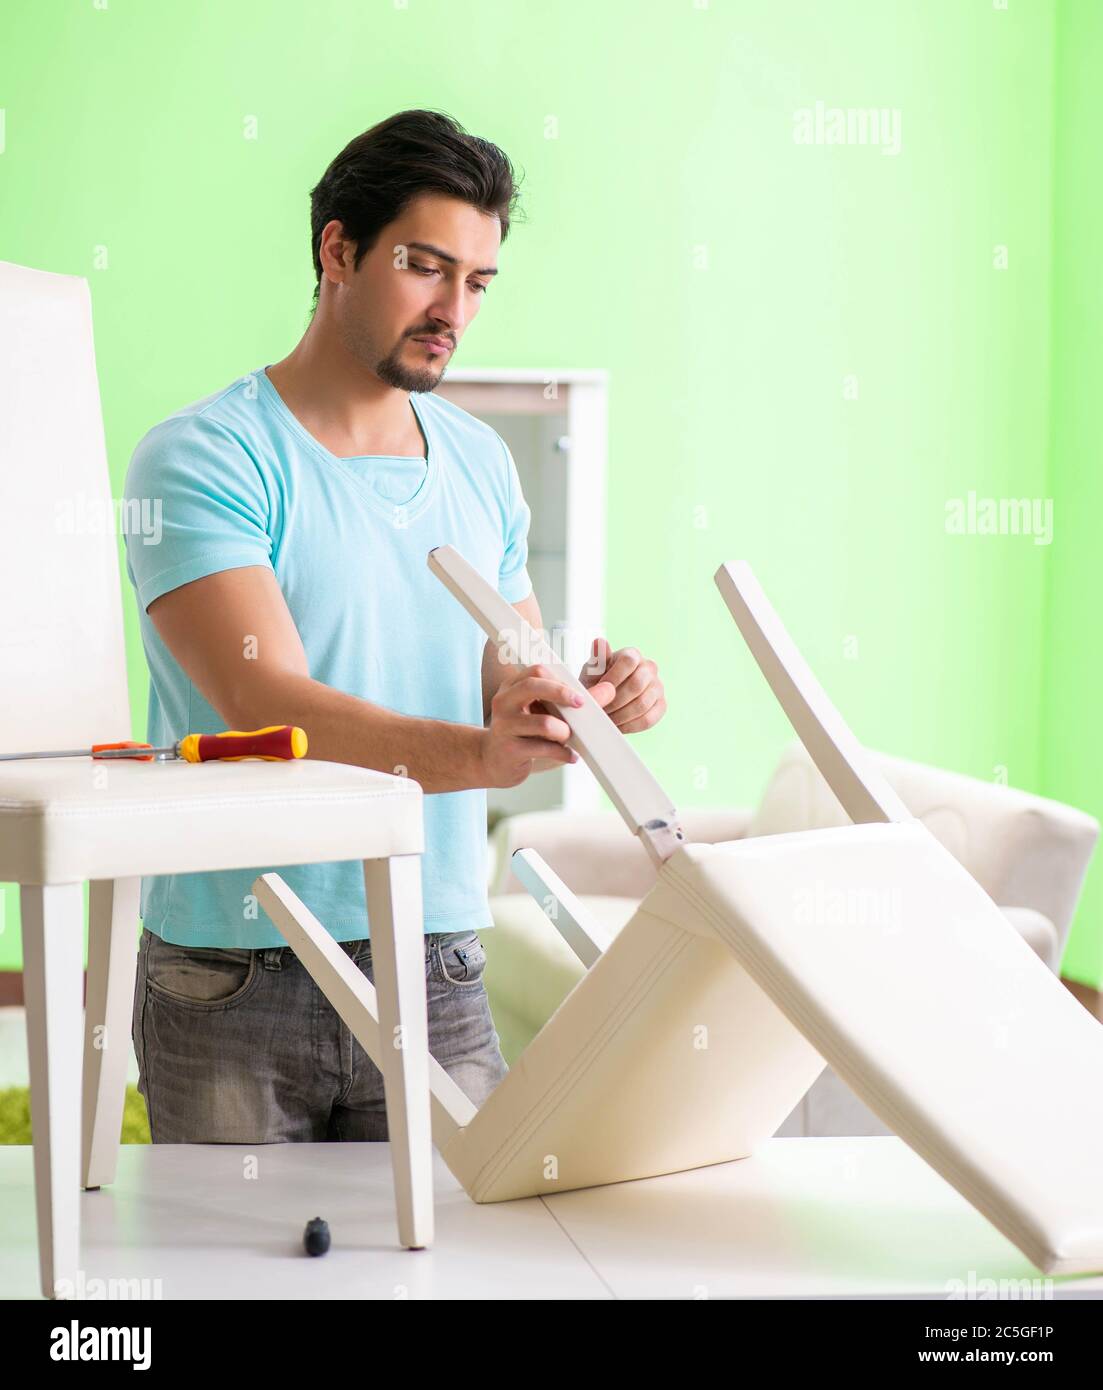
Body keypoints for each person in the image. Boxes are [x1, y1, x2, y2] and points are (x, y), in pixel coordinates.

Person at [122, 108, 667, 1144]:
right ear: (338, 249)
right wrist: (483, 756)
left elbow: (510, 672)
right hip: (236, 971)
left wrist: (578, 698)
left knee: (458, 1267)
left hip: (435, 955)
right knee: (242, 1276)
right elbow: (267, 708)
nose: (453, 307)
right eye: (425, 266)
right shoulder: (204, 459)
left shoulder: (480, 463)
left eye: (477, 281)